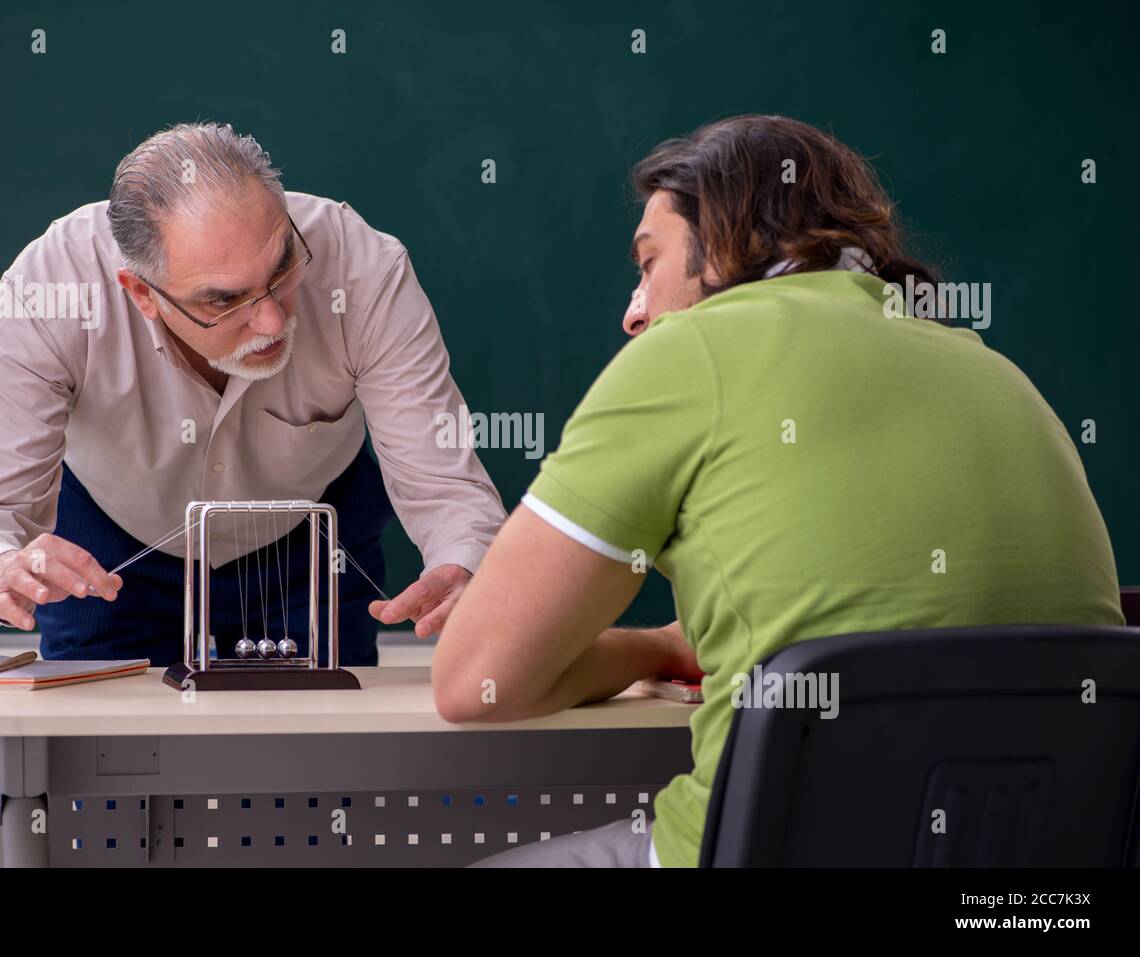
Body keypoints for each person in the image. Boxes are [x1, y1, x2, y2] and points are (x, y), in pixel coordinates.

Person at [436, 114, 1124, 867]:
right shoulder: (1001, 373)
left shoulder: (689, 352)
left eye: (649, 262)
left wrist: (651, 649)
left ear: (726, 243)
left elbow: (477, 680)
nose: (633, 310)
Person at [0, 122, 506, 666]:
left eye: (282, 270)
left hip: (312, 529)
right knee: (101, 747)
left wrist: (470, 568)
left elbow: (443, 480)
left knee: (324, 748)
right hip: (109, 542)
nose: (269, 323)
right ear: (142, 293)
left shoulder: (364, 269)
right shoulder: (50, 292)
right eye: (223, 301)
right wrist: (0, 567)